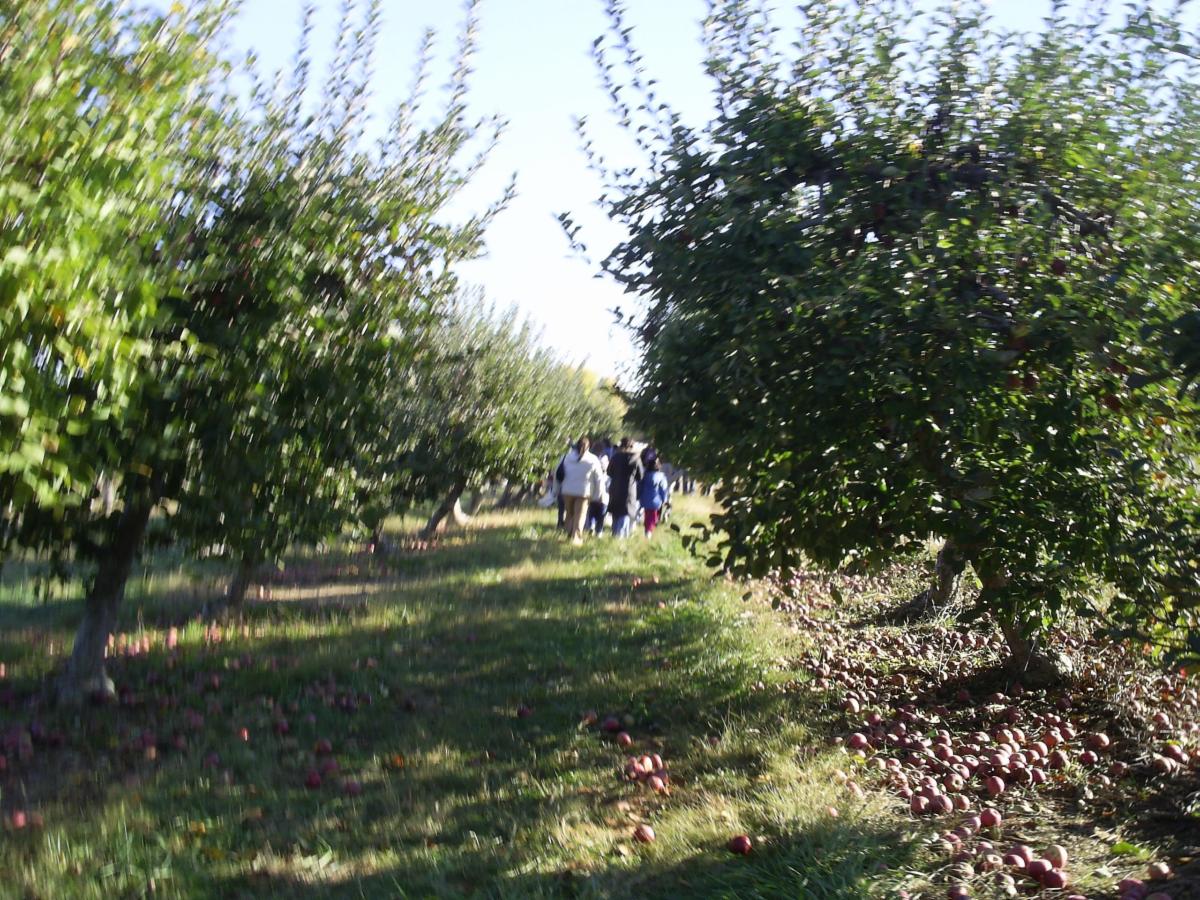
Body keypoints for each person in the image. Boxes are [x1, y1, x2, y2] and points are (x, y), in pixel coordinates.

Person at [560, 436, 607, 545]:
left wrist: (555, 490)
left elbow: (558, 472)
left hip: (567, 491)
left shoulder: (566, 457)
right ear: (589, 446)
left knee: (570, 514)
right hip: (583, 492)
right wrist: (599, 494)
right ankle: (576, 539)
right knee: (580, 515)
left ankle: (568, 533)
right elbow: (599, 479)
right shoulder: (593, 459)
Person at [607, 437, 644, 538]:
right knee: (626, 512)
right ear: (632, 446)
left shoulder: (615, 457)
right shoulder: (636, 458)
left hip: (615, 487)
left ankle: (615, 534)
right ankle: (621, 536)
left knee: (616, 512)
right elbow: (640, 476)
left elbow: (609, 472)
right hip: (629, 489)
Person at [639, 454, 670, 538]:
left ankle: (647, 530)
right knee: (653, 517)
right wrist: (665, 500)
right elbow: (663, 490)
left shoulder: (644, 476)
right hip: (656, 500)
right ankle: (648, 532)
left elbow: (640, 487)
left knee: (647, 515)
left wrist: (639, 497)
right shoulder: (661, 476)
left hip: (644, 499)